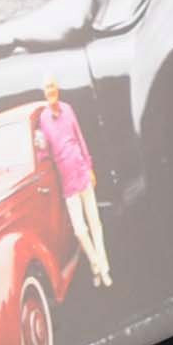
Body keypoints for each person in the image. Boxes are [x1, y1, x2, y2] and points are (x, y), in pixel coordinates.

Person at [33, 78, 111, 289]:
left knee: (95, 222)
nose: (51, 91)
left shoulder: (68, 109)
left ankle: (104, 269)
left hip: (81, 171)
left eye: (53, 86)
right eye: (47, 87)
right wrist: (39, 146)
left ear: (58, 88)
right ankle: (96, 263)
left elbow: (80, 138)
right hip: (67, 181)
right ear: (44, 92)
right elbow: (45, 153)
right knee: (79, 229)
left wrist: (90, 166)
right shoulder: (43, 119)